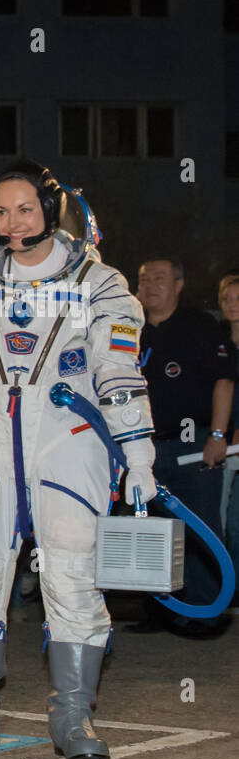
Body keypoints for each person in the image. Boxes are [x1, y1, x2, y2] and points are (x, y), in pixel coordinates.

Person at [0, 159, 156, 759]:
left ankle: (73, 718)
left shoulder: (100, 285)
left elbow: (118, 371)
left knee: (72, 574)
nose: (12, 221)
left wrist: (139, 451)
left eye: (24, 208)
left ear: (50, 211)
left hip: (67, 440)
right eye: (1, 210)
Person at [125, 256, 233, 635]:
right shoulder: (130, 329)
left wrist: (218, 436)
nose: (149, 285)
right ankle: (159, 611)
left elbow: (224, 380)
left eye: (159, 278)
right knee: (150, 532)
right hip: (143, 451)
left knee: (200, 531)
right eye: (143, 279)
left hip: (192, 447)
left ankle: (207, 614)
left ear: (179, 284)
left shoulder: (199, 326)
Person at [219, 274, 239, 605]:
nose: (233, 305)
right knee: (220, 522)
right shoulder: (216, 341)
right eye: (227, 299)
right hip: (221, 445)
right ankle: (227, 593)